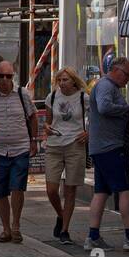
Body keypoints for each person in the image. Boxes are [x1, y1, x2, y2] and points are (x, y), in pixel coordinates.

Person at [0, 61, 38, 244]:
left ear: (13, 77)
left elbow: (33, 116)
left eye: (8, 76)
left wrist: (34, 140)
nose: (4, 80)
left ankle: (16, 226)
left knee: (17, 187)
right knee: (0, 191)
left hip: (20, 148)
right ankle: (6, 229)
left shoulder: (22, 94)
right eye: (1, 76)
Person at [85, 56, 129, 253]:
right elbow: (105, 107)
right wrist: (128, 108)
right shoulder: (106, 86)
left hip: (101, 148)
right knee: (125, 189)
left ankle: (93, 236)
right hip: (111, 148)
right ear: (115, 70)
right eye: (126, 74)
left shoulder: (106, 86)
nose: (128, 79)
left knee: (101, 192)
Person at [44, 68, 89, 245]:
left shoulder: (83, 97)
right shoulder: (52, 97)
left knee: (70, 189)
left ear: (73, 81)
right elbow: (48, 122)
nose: (62, 83)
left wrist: (89, 132)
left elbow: (96, 117)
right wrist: (47, 128)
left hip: (75, 145)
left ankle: (64, 230)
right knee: (51, 189)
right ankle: (61, 215)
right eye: (59, 80)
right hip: (54, 145)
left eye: (65, 80)